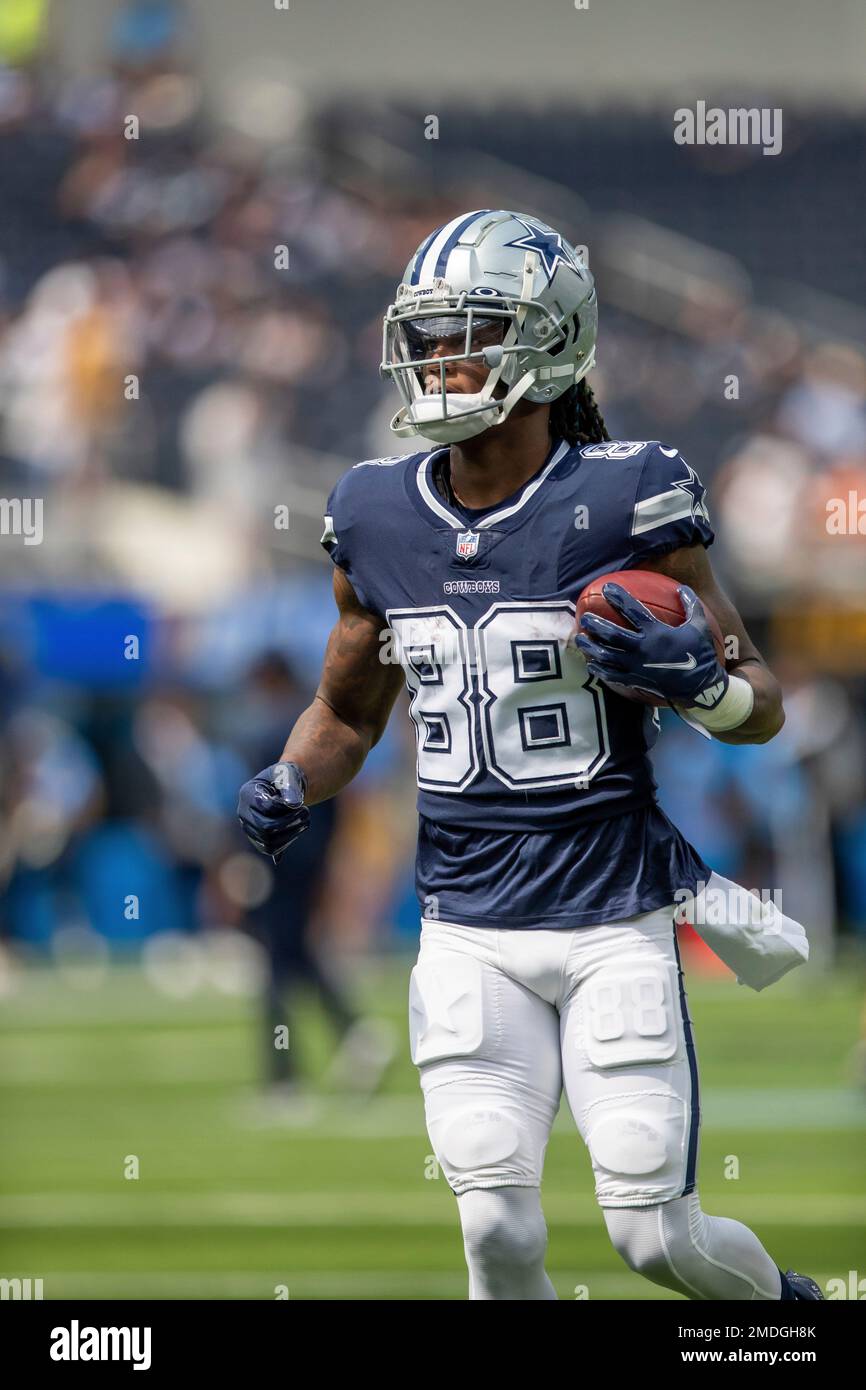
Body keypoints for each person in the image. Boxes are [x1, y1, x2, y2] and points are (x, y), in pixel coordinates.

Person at [238, 209, 822, 1300]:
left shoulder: (625, 497)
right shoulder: (372, 513)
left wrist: (697, 682)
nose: (436, 359)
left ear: (548, 341)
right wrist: (290, 777)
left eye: (467, 331)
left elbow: (764, 706)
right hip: (465, 928)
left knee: (655, 1237)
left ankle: (792, 1317)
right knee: (496, 1233)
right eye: (424, 335)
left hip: (612, 919)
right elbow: (347, 714)